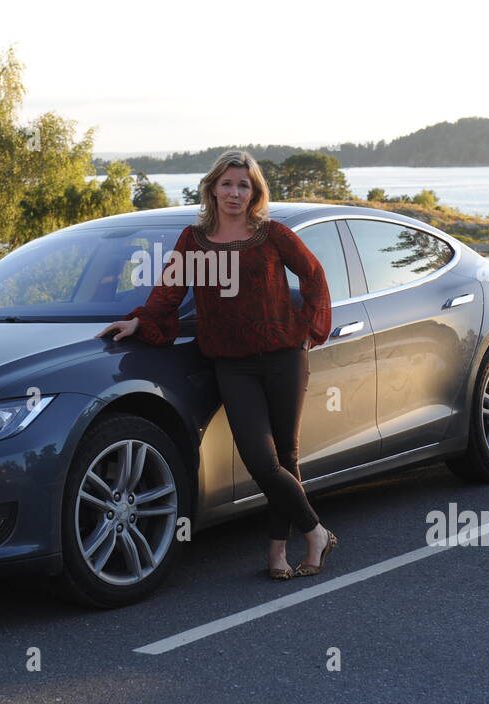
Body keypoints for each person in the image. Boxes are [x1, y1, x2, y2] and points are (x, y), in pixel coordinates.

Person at [95, 149, 338, 580]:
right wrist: (138, 321)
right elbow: (168, 292)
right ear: (212, 188)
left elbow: (315, 276)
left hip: (284, 357)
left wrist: (306, 328)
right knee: (262, 461)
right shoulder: (194, 240)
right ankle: (316, 531)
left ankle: (277, 554)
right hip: (232, 363)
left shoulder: (274, 234)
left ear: (254, 192)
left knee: (287, 455)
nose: (234, 192)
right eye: (226, 183)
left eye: (243, 185)